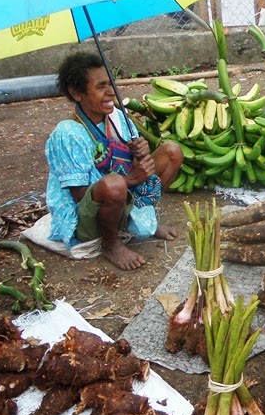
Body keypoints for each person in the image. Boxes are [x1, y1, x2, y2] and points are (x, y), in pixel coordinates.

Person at [45, 53, 183, 271]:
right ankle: (111, 243)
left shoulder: (117, 117)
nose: (111, 92)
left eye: (110, 83)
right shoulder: (68, 133)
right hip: (88, 213)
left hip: (122, 194)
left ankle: (146, 220)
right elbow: (80, 195)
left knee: (172, 152)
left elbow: (134, 163)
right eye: (101, 87)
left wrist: (142, 153)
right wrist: (131, 179)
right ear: (77, 93)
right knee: (114, 185)